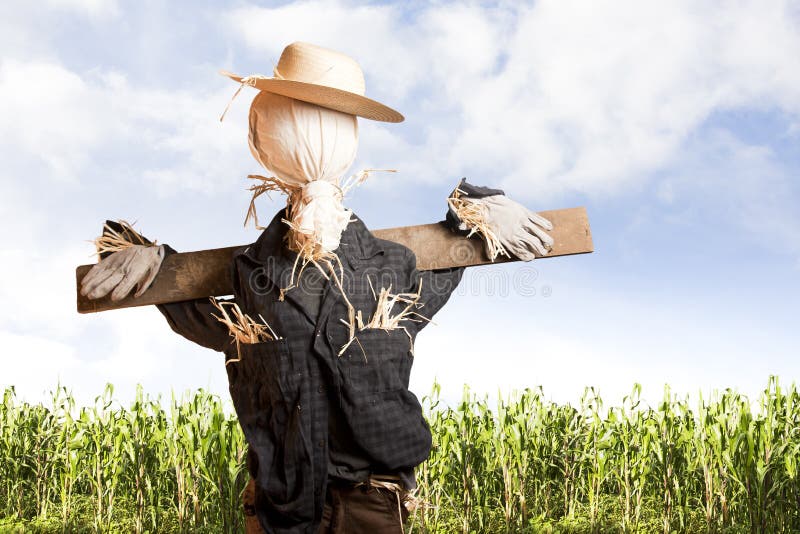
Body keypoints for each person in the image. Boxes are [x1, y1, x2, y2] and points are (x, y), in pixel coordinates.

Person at [80, 42, 553, 534]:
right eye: (293, 119)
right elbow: (193, 307)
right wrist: (142, 253)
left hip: (374, 507)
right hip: (279, 511)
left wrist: (479, 208)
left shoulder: (394, 269)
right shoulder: (248, 280)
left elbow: (457, 244)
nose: (309, 135)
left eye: (320, 122)